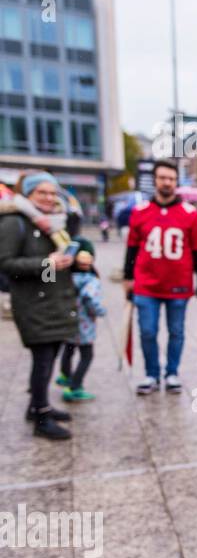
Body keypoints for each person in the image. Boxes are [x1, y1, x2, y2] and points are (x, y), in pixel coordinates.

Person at [0, 173, 79, 439]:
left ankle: (37, 406)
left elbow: (50, 264)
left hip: (53, 300)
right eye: (42, 193)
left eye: (53, 193)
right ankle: (42, 416)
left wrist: (74, 261)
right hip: (33, 304)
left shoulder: (52, 224)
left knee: (48, 358)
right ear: (28, 195)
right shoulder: (15, 222)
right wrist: (47, 264)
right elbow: (6, 265)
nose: (48, 198)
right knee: (43, 360)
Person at [124, 161, 197, 395]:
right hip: (146, 283)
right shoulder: (140, 211)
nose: (167, 183)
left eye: (171, 179)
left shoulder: (190, 214)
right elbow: (131, 248)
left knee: (176, 331)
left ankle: (172, 372)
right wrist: (128, 277)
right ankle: (152, 374)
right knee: (148, 331)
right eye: (162, 178)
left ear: (176, 182)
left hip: (178, 283)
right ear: (155, 180)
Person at [57, 243, 107, 402]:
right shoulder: (91, 280)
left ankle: (65, 376)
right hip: (84, 324)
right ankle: (74, 387)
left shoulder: (67, 277)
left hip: (67, 321)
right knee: (87, 355)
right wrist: (100, 311)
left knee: (68, 349)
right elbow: (89, 298)